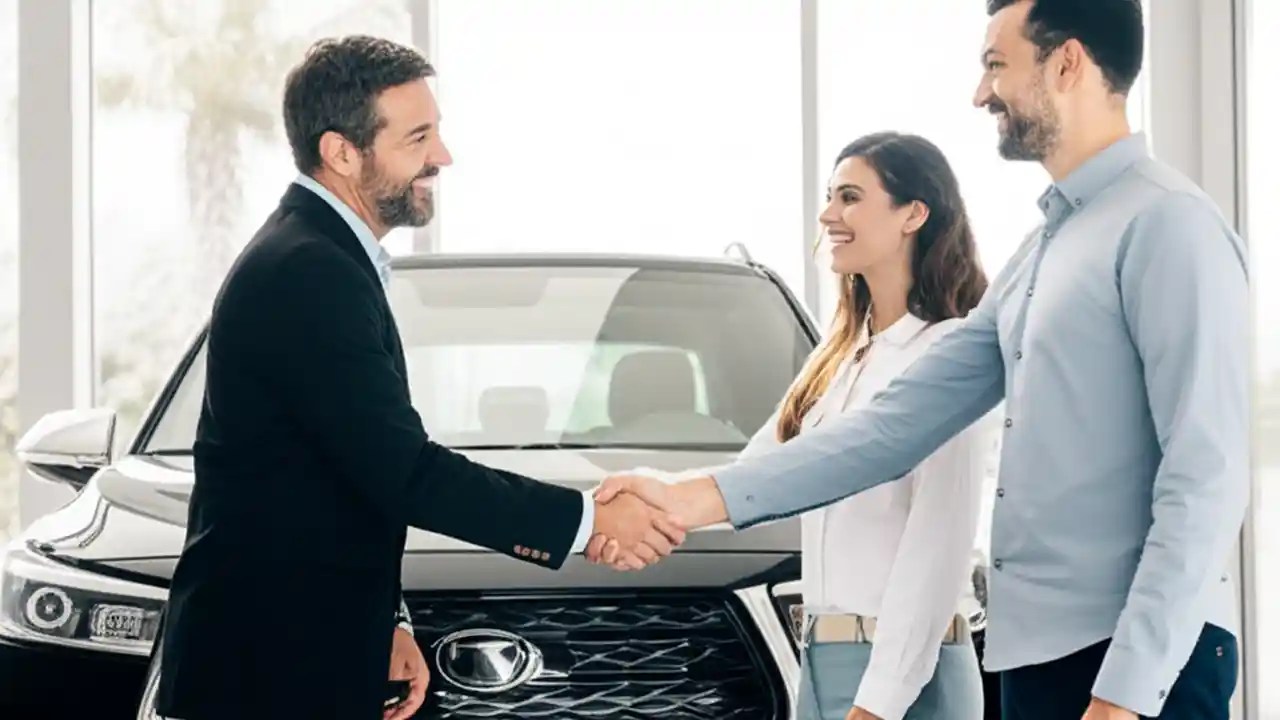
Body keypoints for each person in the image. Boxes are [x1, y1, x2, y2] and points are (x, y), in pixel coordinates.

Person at [595, 2, 1249, 719]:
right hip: (1038, 659)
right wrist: (688, 496)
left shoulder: (1169, 226)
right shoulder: (1042, 252)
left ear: (1067, 63)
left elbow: (1205, 480)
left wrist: (1122, 696)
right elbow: (892, 426)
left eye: (996, 66)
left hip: (1134, 667)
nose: (980, 94)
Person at [154, 36, 683, 720]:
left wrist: (387, 620)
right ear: (342, 152)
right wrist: (588, 520)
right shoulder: (307, 271)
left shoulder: (322, 255)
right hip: (270, 675)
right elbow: (403, 473)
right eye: (419, 137)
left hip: (301, 657)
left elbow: (339, 478)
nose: (443, 156)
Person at [604, 132, 993, 719]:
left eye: (851, 197)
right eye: (831, 196)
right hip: (821, 658)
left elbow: (936, 555)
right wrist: (632, 504)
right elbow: (763, 477)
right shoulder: (837, 356)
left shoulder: (951, 354)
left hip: (907, 672)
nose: (828, 214)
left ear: (914, 212)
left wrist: (878, 705)